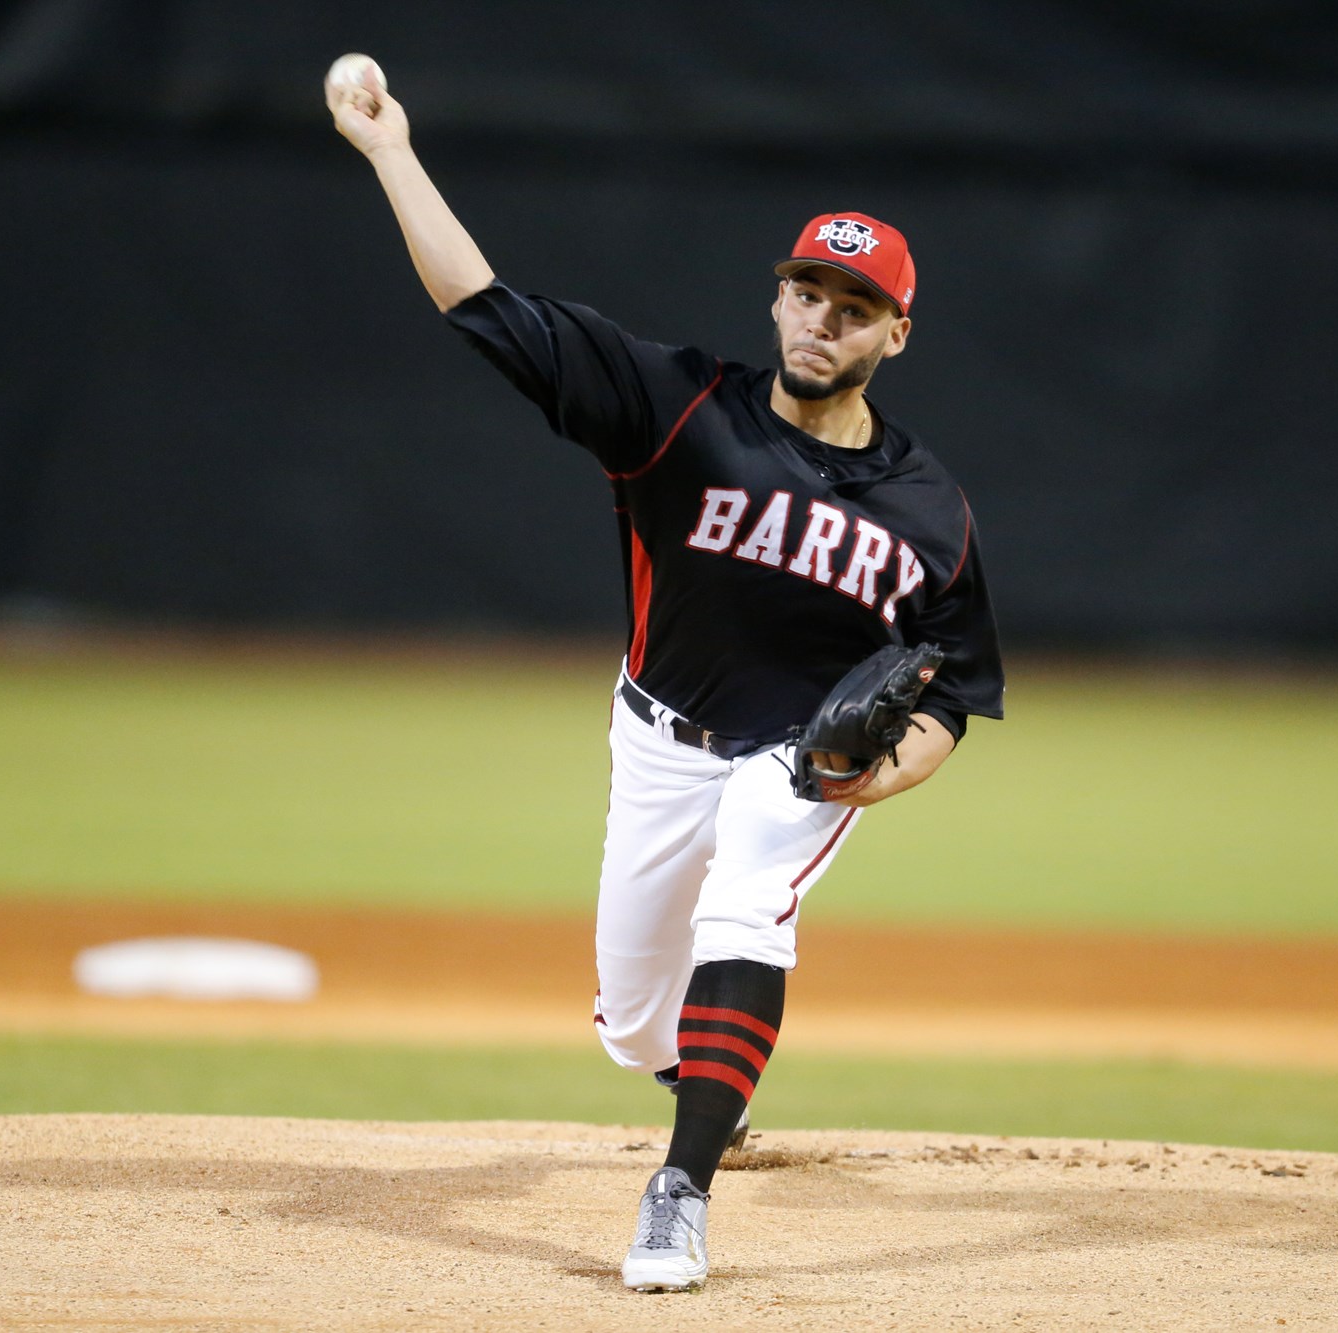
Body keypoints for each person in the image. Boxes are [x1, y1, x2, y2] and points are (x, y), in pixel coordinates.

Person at [326, 63, 1004, 1291]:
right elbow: (483, 304)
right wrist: (390, 154)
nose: (822, 320)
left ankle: (677, 1192)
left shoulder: (928, 511)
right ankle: (708, 1093)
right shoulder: (678, 408)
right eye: (807, 291)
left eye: (854, 307)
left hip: (796, 763)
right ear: (777, 299)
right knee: (634, 1020)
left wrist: (879, 777)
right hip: (656, 737)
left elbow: (954, 692)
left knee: (746, 901)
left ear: (895, 333)